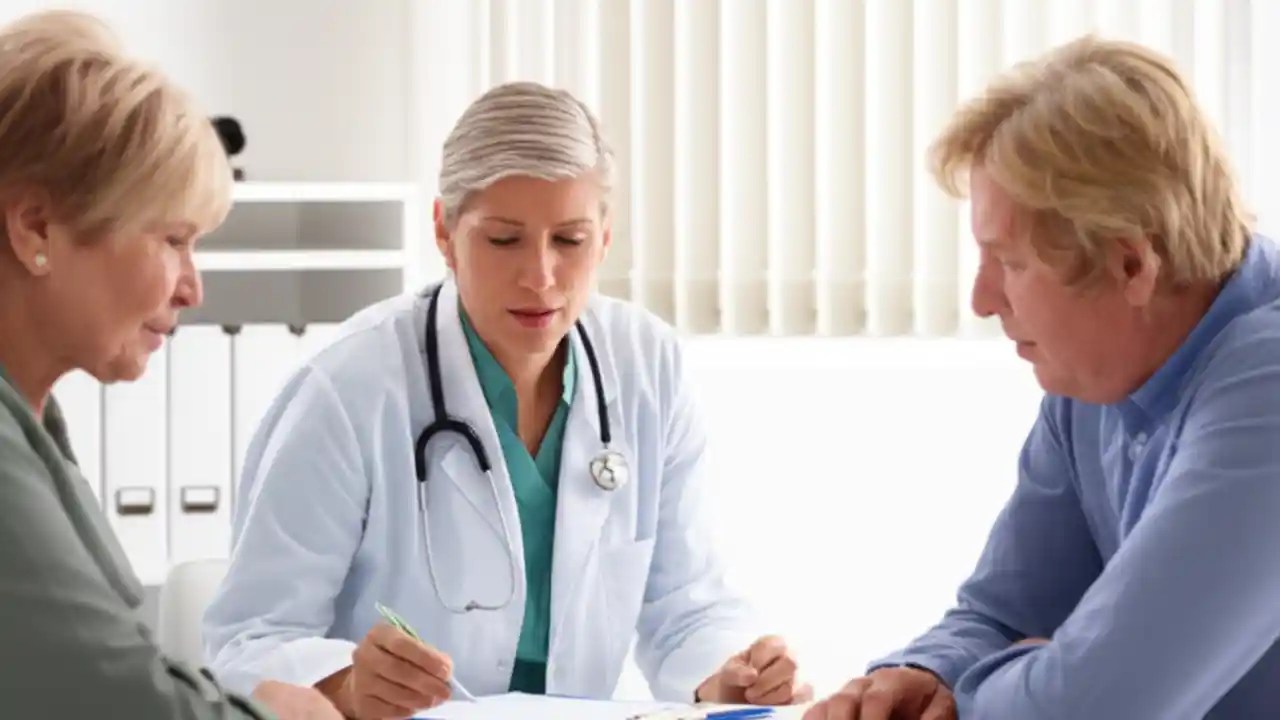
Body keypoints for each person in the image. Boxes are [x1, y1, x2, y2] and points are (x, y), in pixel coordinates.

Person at [201, 80, 810, 719]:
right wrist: (345, 685)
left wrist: (729, 673)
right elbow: (246, 643)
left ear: (604, 237)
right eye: (503, 240)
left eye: (569, 241)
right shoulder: (350, 387)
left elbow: (687, 605)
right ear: (444, 231)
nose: (540, 276)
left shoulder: (647, 365)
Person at [806, 34, 1280, 720]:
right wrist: (923, 672)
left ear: (1129, 266)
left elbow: (1097, 706)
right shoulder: (1097, 373)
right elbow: (1001, 612)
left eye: (1011, 262)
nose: (982, 299)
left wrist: (1008, 679)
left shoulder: (1267, 387)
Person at [0, 9, 342, 719]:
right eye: (174, 240)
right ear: (35, 227)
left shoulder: (31, 420)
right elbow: (111, 698)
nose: (193, 287)